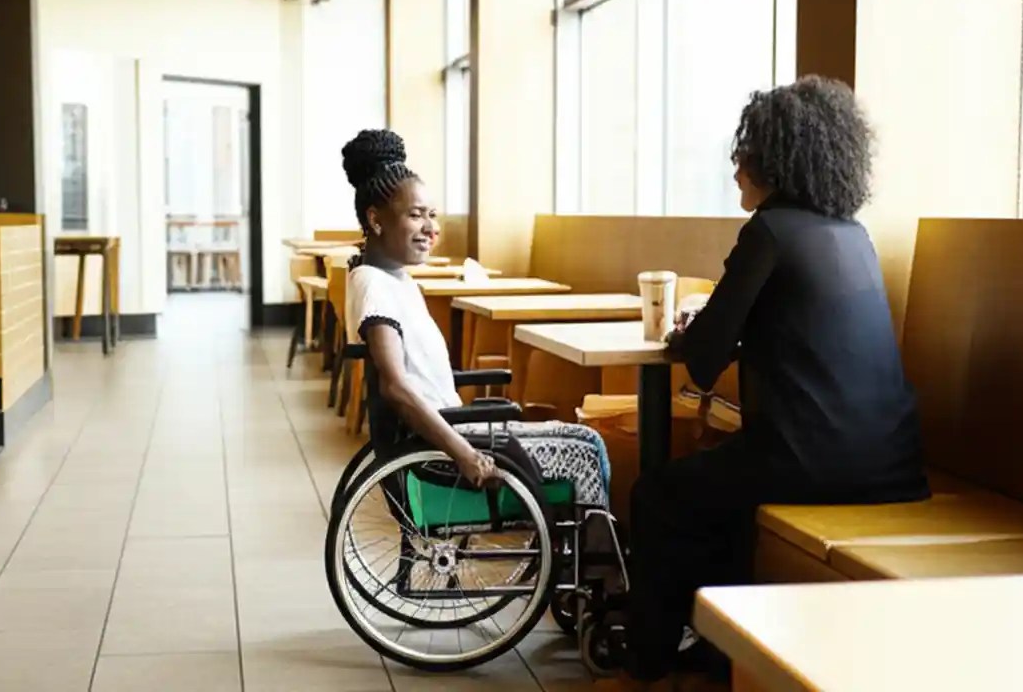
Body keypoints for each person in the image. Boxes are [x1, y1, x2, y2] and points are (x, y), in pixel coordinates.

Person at [623, 76, 931, 686]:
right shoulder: (853, 236)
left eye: (748, 154)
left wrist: (690, 331)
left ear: (780, 162)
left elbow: (704, 361)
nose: (737, 168)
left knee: (657, 494)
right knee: (728, 500)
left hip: (809, 461)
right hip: (896, 467)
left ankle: (647, 665)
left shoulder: (768, 231)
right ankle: (719, 653)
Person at [340, 128, 611, 508]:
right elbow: (396, 389)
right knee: (587, 448)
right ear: (376, 219)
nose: (431, 228)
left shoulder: (392, 279)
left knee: (586, 440)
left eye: (432, 215)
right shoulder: (375, 285)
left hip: (448, 429)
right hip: (445, 443)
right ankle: (577, 561)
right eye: (416, 215)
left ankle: (569, 557)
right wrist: (464, 453)